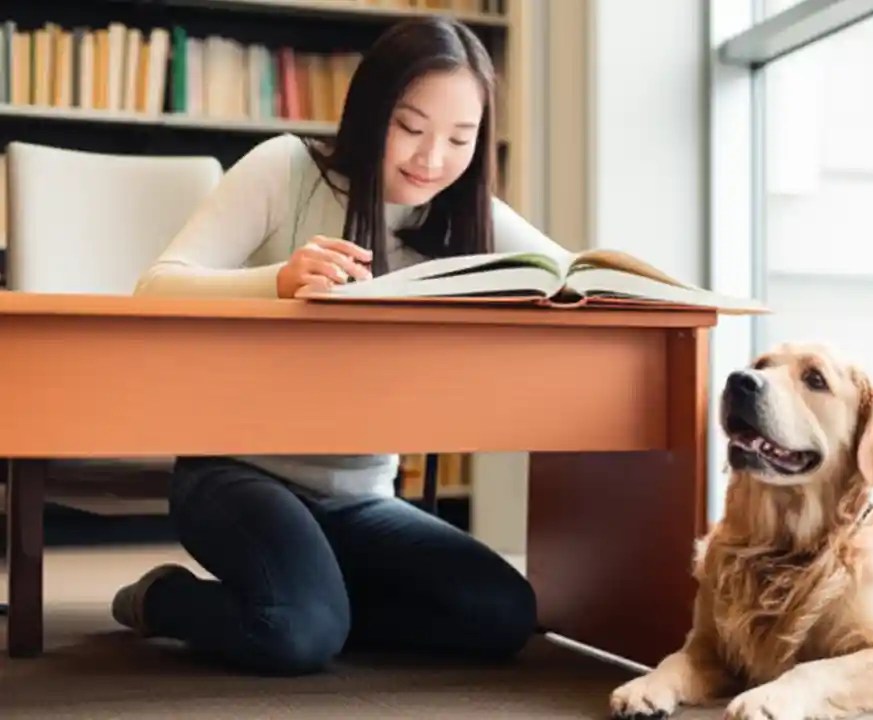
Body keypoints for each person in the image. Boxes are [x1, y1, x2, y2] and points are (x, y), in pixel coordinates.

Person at [113, 16, 567, 676]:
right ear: (369, 110)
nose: (431, 158)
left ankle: (319, 604)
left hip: (362, 497)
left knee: (502, 613)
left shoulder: (462, 214)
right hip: (235, 475)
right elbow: (156, 289)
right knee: (297, 632)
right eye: (411, 128)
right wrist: (279, 280)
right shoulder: (287, 168)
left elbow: (571, 275)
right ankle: (165, 600)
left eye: (459, 139)